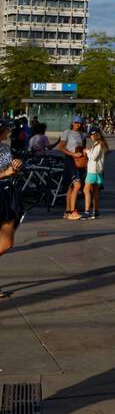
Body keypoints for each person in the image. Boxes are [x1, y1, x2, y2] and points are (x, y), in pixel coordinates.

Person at [0, 123, 24, 299]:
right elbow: (5, 172)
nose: (8, 132)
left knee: (7, 243)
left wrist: (15, 167)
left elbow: (11, 171)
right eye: (5, 129)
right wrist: (6, 173)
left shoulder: (6, 148)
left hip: (7, 194)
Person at [56, 116, 87, 221]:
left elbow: (82, 148)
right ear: (72, 123)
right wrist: (72, 154)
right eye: (76, 122)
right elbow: (60, 147)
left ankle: (67, 211)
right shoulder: (67, 132)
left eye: (80, 123)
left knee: (71, 187)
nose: (78, 124)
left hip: (79, 161)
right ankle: (73, 211)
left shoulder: (82, 134)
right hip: (70, 160)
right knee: (77, 185)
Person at [83, 128, 108, 218]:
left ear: (95, 135)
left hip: (93, 171)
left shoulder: (98, 145)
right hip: (97, 171)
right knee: (95, 191)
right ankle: (95, 211)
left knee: (86, 190)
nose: (90, 137)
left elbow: (93, 157)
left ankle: (87, 212)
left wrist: (87, 151)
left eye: (91, 135)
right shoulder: (98, 144)